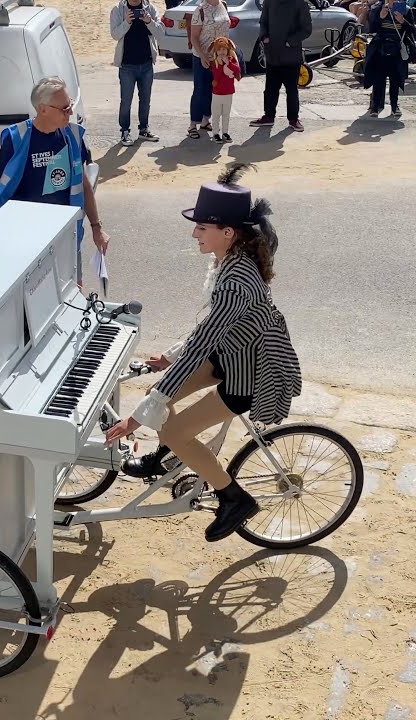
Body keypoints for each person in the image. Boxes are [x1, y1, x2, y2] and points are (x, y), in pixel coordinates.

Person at [106, 162, 302, 543]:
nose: (194, 232)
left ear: (228, 233)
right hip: (229, 354)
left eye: (202, 227)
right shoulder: (231, 259)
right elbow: (208, 329)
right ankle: (170, 455)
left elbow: (201, 345)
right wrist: (170, 357)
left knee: (175, 427)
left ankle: (234, 498)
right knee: (157, 399)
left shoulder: (235, 283)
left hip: (247, 373)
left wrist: (134, 421)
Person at [0, 77, 110, 285]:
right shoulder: (15, 139)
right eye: (65, 109)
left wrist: (97, 228)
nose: (70, 113)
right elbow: (0, 191)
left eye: (70, 105)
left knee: (73, 291)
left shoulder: (72, 136)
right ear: (43, 109)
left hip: (65, 235)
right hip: (25, 239)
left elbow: (83, 186)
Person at [110, 0, 165, 147]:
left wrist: (149, 21)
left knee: (145, 99)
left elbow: (160, 32)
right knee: (126, 101)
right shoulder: (118, 9)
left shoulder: (150, 8)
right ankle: (125, 132)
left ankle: (144, 129)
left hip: (146, 64)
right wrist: (127, 22)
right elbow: (115, 34)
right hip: (127, 65)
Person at [251, 0, 312, 132]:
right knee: (270, 89)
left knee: (292, 91)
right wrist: (264, 37)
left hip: (290, 56)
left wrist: (291, 42)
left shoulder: (300, 3)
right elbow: (263, 22)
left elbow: (306, 29)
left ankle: (293, 119)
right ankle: (268, 116)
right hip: (272, 53)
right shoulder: (269, 2)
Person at [362, 0, 416, 119]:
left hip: (397, 49)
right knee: (378, 79)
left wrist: (403, 21)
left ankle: (394, 105)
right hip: (380, 49)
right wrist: (380, 17)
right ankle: (375, 106)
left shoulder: (406, 10)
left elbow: (412, 30)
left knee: (395, 79)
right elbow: (372, 28)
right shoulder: (378, 9)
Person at [186, 0, 229, 140]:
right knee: (199, 90)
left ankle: (206, 120)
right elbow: (194, 36)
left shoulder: (223, 5)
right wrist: (203, 55)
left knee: (214, 90)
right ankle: (193, 124)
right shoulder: (200, 10)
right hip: (202, 57)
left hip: (219, 58)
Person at [206, 37, 242, 143]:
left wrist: (228, 63)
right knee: (216, 114)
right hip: (217, 93)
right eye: (219, 50)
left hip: (228, 92)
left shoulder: (231, 60)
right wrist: (221, 65)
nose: (222, 52)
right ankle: (216, 133)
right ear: (216, 51)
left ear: (228, 50)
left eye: (224, 49)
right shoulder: (215, 63)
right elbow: (217, 75)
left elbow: (237, 69)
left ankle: (225, 132)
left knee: (226, 114)